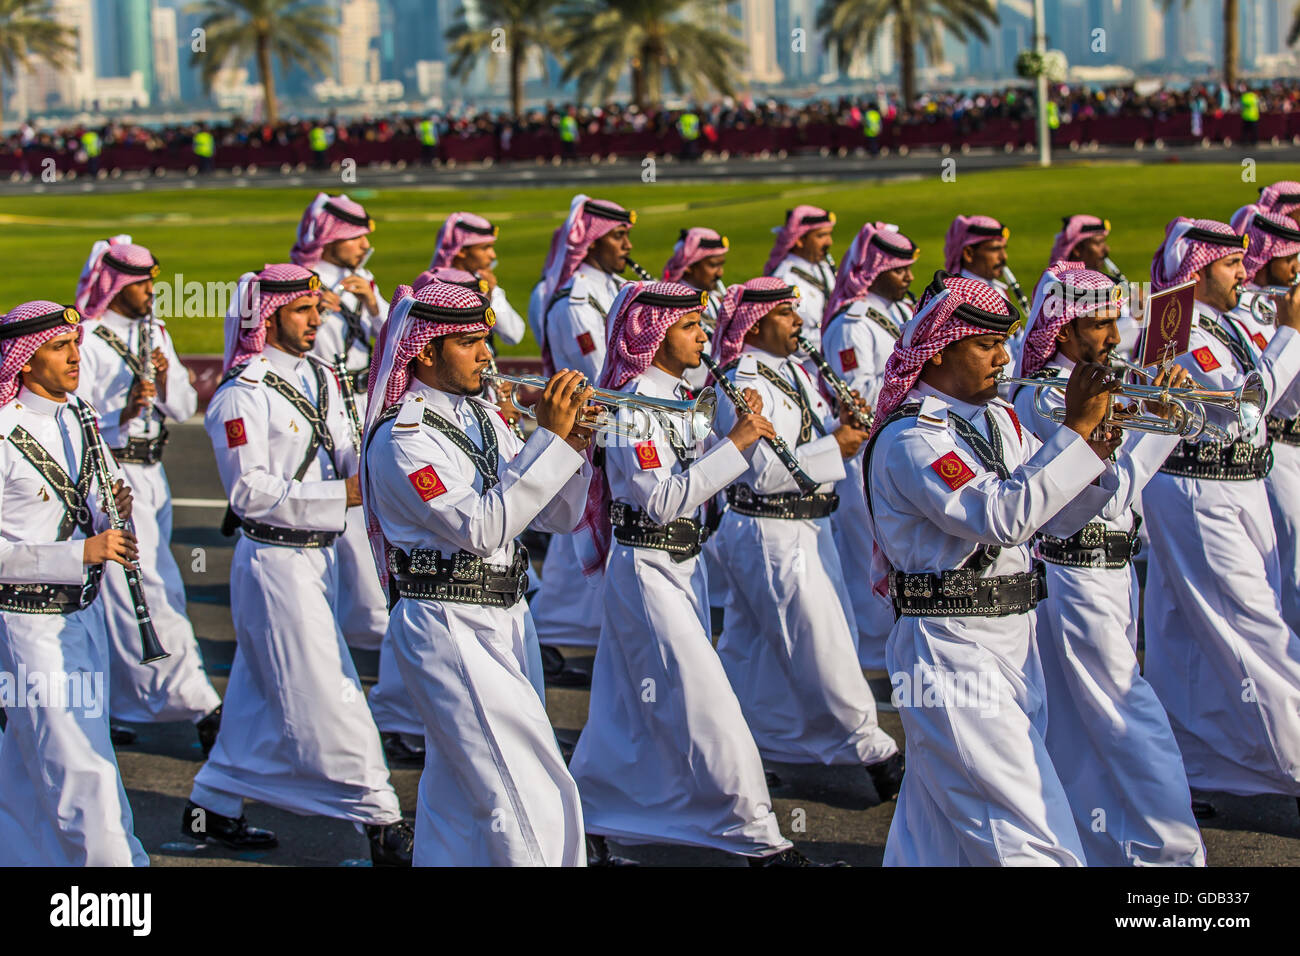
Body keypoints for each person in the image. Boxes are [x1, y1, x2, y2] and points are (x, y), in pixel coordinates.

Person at [566, 281, 831, 866]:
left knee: (627, 709)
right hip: (647, 569)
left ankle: (599, 813)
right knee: (708, 706)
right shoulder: (631, 406)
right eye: (690, 328)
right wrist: (735, 443)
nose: (704, 338)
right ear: (654, 337)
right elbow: (661, 499)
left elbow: (711, 478)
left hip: (686, 567)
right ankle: (758, 838)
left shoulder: (685, 398)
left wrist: (740, 437)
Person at [866, 271, 1123, 865]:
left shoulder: (1001, 420)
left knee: (934, 837)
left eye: (1006, 342)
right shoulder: (913, 437)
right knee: (1028, 830)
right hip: (951, 647)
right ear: (940, 349)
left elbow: (1054, 521)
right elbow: (1002, 516)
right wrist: (1076, 431)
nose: (1005, 357)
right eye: (986, 345)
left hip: (1012, 637)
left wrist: (1097, 452)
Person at [184, 264, 412, 865]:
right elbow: (248, 493)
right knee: (330, 687)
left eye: (320, 308)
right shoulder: (241, 391)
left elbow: (343, 450)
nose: (318, 319)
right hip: (274, 560)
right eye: (303, 310)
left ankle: (213, 802)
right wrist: (344, 495)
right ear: (267, 316)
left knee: (259, 690)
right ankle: (379, 815)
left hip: (323, 556)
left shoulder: (321, 376)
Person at [360, 280, 594, 865]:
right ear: (425, 352)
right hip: (449, 623)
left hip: (510, 616)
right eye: (469, 343)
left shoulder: (485, 416)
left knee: (462, 806)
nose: (488, 355)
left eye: (486, 340)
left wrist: (575, 449)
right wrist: (549, 440)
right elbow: (483, 527)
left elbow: (558, 518)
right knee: (528, 794)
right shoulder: (401, 439)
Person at [1012, 262, 1205, 865]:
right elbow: (1112, 489)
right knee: (1128, 715)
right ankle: (1177, 853)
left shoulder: (1101, 381)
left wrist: (1163, 410)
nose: (1115, 336)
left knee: (1082, 726)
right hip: (1074, 575)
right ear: (1062, 331)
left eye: (1115, 320)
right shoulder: (1046, 396)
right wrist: (1163, 424)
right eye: (1098, 325)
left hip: (1113, 571)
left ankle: (1107, 848)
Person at [708, 277, 903, 799]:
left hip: (809, 525)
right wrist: (836, 446)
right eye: (788, 315)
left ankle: (747, 741)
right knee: (822, 643)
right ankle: (875, 752)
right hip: (769, 528)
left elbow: (805, 444)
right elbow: (764, 473)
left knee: (751, 649)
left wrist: (842, 427)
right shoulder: (739, 381)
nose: (800, 323)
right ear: (756, 323)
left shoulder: (791, 368)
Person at [1141, 218, 1300, 810]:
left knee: (1182, 637)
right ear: (1199, 270)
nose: (1245, 272)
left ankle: (1204, 765)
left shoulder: (1227, 321)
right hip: (1199, 488)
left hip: (1240, 483)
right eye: (1233, 265)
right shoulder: (1175, 325)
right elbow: (1241, 406)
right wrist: (1290, 336)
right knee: (1255, 630)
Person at [0, 300, 147, 865]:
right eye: (58, 348)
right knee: (79, 764)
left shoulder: (80, 417)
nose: (74, 357)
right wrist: (80, 552)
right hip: (28, 623)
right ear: (23, 359)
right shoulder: (7, 432)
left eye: (74, 345)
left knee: (27, 762)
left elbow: (104, 498)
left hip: (83, 615)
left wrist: (117, 512)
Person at [74, 237, 222, 750]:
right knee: (146, 587)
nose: (150, 291)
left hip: (155, 473)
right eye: (140, 282)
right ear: (114, 285)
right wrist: (120, 413)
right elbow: (76, 427)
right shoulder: (88, 340)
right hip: (113, 473)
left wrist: (162, 378)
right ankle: (200, 704)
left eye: (151, 281)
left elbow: (183, 408)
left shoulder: (155, 332)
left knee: (154, 586)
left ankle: (113, 701)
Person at [529, 195, 635, 663]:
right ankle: (556, 627)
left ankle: (570, 626)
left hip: (612, 425)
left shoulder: (612, 287)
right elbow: (604, 372)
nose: (627, 245)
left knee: (586, 529)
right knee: (580, 527)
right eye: (618, 236)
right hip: (593, 428)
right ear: (591, 242)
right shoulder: (575, 303)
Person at [289, 193, 391, 656]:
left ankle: (371, 610)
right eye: (356, 235)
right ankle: (363, 617)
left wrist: (372, 303)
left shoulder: (363, 279)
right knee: (345, 500)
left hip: (365, 400)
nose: (365, 243)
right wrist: (318, 308)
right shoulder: (302, 284)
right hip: (328, 403)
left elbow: (392, 339)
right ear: (332, 239)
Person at [820, 222, 918, 670]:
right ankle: (872, 657)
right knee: (866, 555)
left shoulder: (897, 314)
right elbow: (858, 396)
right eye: (900, 271)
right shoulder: (851, 324)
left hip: (899, 451)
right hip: (865, 456)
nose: (908, 279)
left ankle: (890, 649)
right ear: (874, 270)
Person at [1229, 205, 1300, 637]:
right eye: (1289, 258)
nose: (1295, 269)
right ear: (1267, 258)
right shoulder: (1247, 318)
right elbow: (1275, 398)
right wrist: (1292, 332)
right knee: (1290, 568)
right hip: (1277, 452)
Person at [428, 212, 527, 349]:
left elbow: (514, 334)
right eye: (485, 248)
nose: (493, 255)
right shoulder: (434, 288)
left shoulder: (483, 283)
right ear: (461, 250)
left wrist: (491, 293)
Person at [944, 214, 1026, 359]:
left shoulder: (996, 287)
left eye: (1003, 249)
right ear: (969, 253)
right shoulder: (961, 296)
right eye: (995, 249)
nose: (1004, 256)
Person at [763, 206, 836, 355]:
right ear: (800, 240)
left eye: (829, 235)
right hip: (809, 368)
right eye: (821, 236)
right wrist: (836, 338)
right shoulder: (784, 279)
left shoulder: (823, 267)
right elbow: (784, 335)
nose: (829, 242)